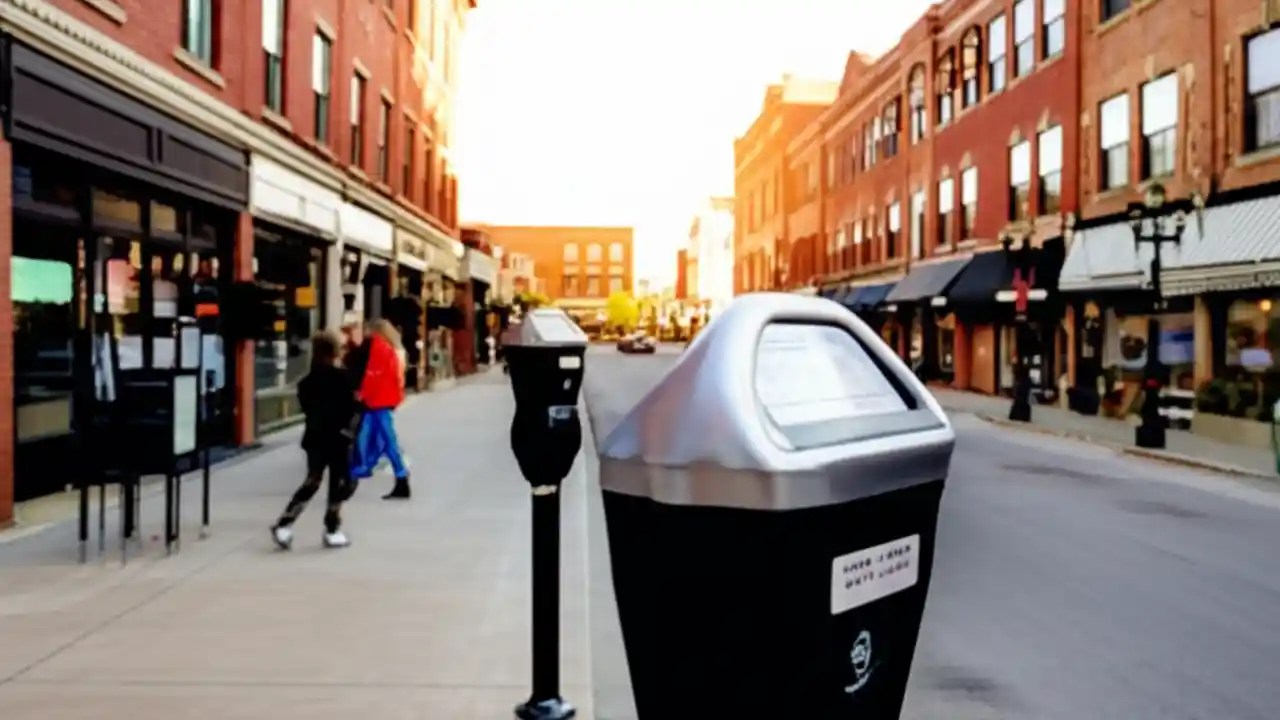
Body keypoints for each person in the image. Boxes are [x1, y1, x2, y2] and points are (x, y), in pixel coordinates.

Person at [271, 330, 359, 549]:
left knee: (313, 481)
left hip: (316, 438)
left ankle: (285, 523)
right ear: (335, 351)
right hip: (339, 438)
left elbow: (309, 409)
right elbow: (355, 409)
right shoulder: (344, 378)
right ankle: (332, 527)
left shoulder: (307, 382)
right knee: (340, 483)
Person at [351, 318, 413, 499]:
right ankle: (367, 467)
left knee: (385, 438)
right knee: (375, 435)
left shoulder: (378, 348)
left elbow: (373, 374)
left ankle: (396, 472)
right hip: (384, 399)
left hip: (376, 401)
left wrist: (362, 393)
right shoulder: (391, 349)